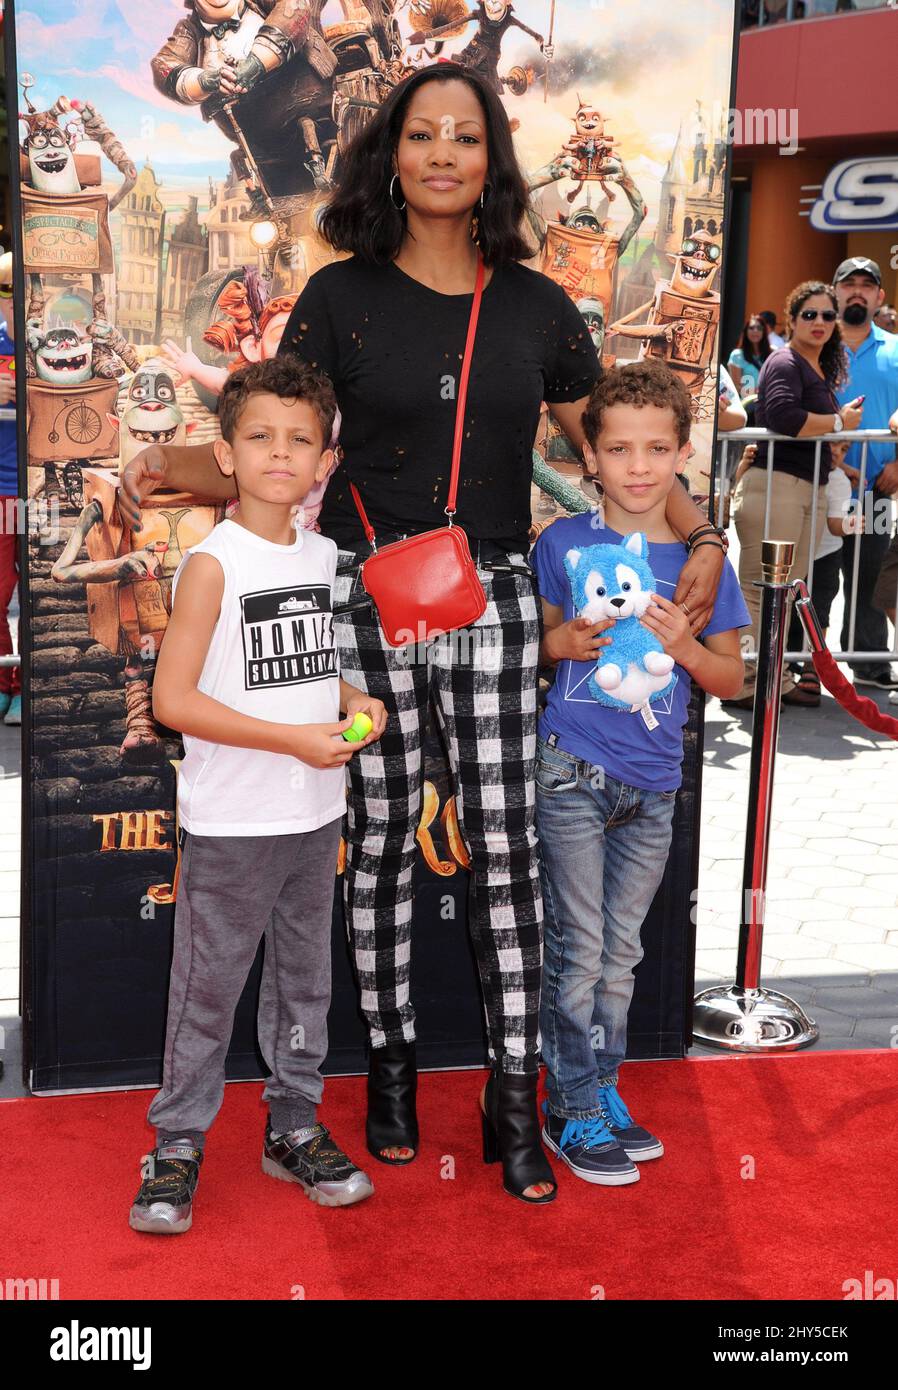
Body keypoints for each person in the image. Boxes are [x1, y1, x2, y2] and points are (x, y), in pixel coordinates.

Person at [117, 64, 725, 1203]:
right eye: (421, 134)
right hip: (365, 599)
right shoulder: (339, 297)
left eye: (465, 136)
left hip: (495, 602)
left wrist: (705, 536)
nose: (443, 153)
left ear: (491, 159)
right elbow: (277, 438)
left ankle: (510, 1096)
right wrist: (164, 467)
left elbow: (619, 448)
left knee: (505, 856)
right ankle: (390, 1070)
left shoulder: (539, 307)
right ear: (390, 154)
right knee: (383, 848)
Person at [129, 357, 387, 1234]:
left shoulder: (323, 556)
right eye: (261, 437)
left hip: (315, 818)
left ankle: (294, 1127)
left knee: (303, 987)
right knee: (207, 990)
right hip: (233, 821)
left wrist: (350, 703)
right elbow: (175, 702)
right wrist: (291, 740)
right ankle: (175, 1144)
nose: (282, 453)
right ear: (227, 453)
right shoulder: (212, 562)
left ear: (326, 459)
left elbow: (306, 674)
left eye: (301, 440)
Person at [531, 361, 749, 1185]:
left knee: (621, 955)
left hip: (654, 787)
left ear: (683, 453)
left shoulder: (701, 566)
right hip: (573, 773)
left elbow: (734, 677)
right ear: (589, 458)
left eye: (657, 448)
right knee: (579, 948)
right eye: (618, 449)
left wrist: (686, 647)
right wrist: (555, 646)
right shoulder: (559, 542)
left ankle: (602, 1086)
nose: (638, 466)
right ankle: (572, 1105)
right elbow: (546, 644)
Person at [726, 280, 863, 709]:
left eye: (827, 315)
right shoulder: (784, 360)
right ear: (792, 319)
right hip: (775, 485)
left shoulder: (815, 366)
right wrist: (839, 423)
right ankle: (746, 681)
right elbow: (785, 417)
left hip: (807, 486)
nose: (819, 322)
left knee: (788, 590)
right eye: (810, 314)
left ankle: (777, 677)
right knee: (759, 587)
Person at [832, 257, 898, 690]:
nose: (857, 291)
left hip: (875, 488)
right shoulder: (815, 344)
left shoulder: (896, 348)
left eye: (866, 285)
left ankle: (869, 661)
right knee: (813, 583)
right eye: (848, 283)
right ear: (834, 291)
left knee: (870, 576)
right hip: (819, 486)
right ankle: (800, 666)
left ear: (880, 296)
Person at [783, 448, 858, 706]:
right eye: (832, 446)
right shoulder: (795, 469)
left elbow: (835, 526)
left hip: (826, 553)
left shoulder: (839, 480)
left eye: (844, 448)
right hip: (795, 549)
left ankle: (812, 666)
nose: (837, 452)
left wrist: (855, 523)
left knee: (820, 611)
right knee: (788, 608)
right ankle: (784, 663)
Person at [0, 253, 21, 727]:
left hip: (47, 491)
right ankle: (7, 682)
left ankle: (27, 689)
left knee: (44, 593)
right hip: (6, 494)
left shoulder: (66, 330)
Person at [727, 315, 772, 398]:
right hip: (747, 405)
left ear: (764, 332)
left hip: (768, 404)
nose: (755, 331)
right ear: (746, 331)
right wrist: (759, 392)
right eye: (751, 328)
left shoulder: (772, 354)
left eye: (759, 328)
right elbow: (736, 387)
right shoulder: (737, 355)